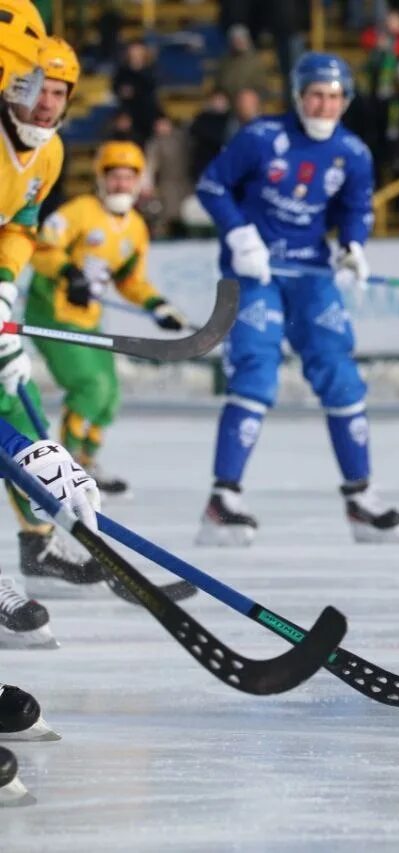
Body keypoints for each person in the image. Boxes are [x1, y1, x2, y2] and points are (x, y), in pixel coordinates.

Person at [194, 52, 399, 547]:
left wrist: (353, 246)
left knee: (341, 373)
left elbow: (355, 207)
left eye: (334, 97)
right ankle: (222, 500)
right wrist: (240, 236)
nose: (324, 104)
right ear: (297, 95)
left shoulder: (353, 153)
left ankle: (361, 498)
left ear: (346, 101)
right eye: (316, 94)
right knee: (256, 373)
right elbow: (212, 186)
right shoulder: (262, 138)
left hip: (311, 272)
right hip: (255, 271)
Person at [0, 31, 110, 613]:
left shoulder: (52, 152)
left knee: (16, 405)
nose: (46, 103)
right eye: (38, 85)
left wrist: (1, 290)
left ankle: (36, 542)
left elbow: (19, 225)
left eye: (59, 92)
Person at [28, 140, 188, 499]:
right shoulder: (79, 212)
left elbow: (130, 279)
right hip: (52, 315)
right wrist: (69, 274)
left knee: (109, 395)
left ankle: (88, 461)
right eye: (113, 177)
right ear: (101, 179)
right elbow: (42, 247)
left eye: (127, 179)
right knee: (90, 387)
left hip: (88, 320)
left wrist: (156, 305)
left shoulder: (135, 228)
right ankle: (65, 468)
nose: (120, 185)